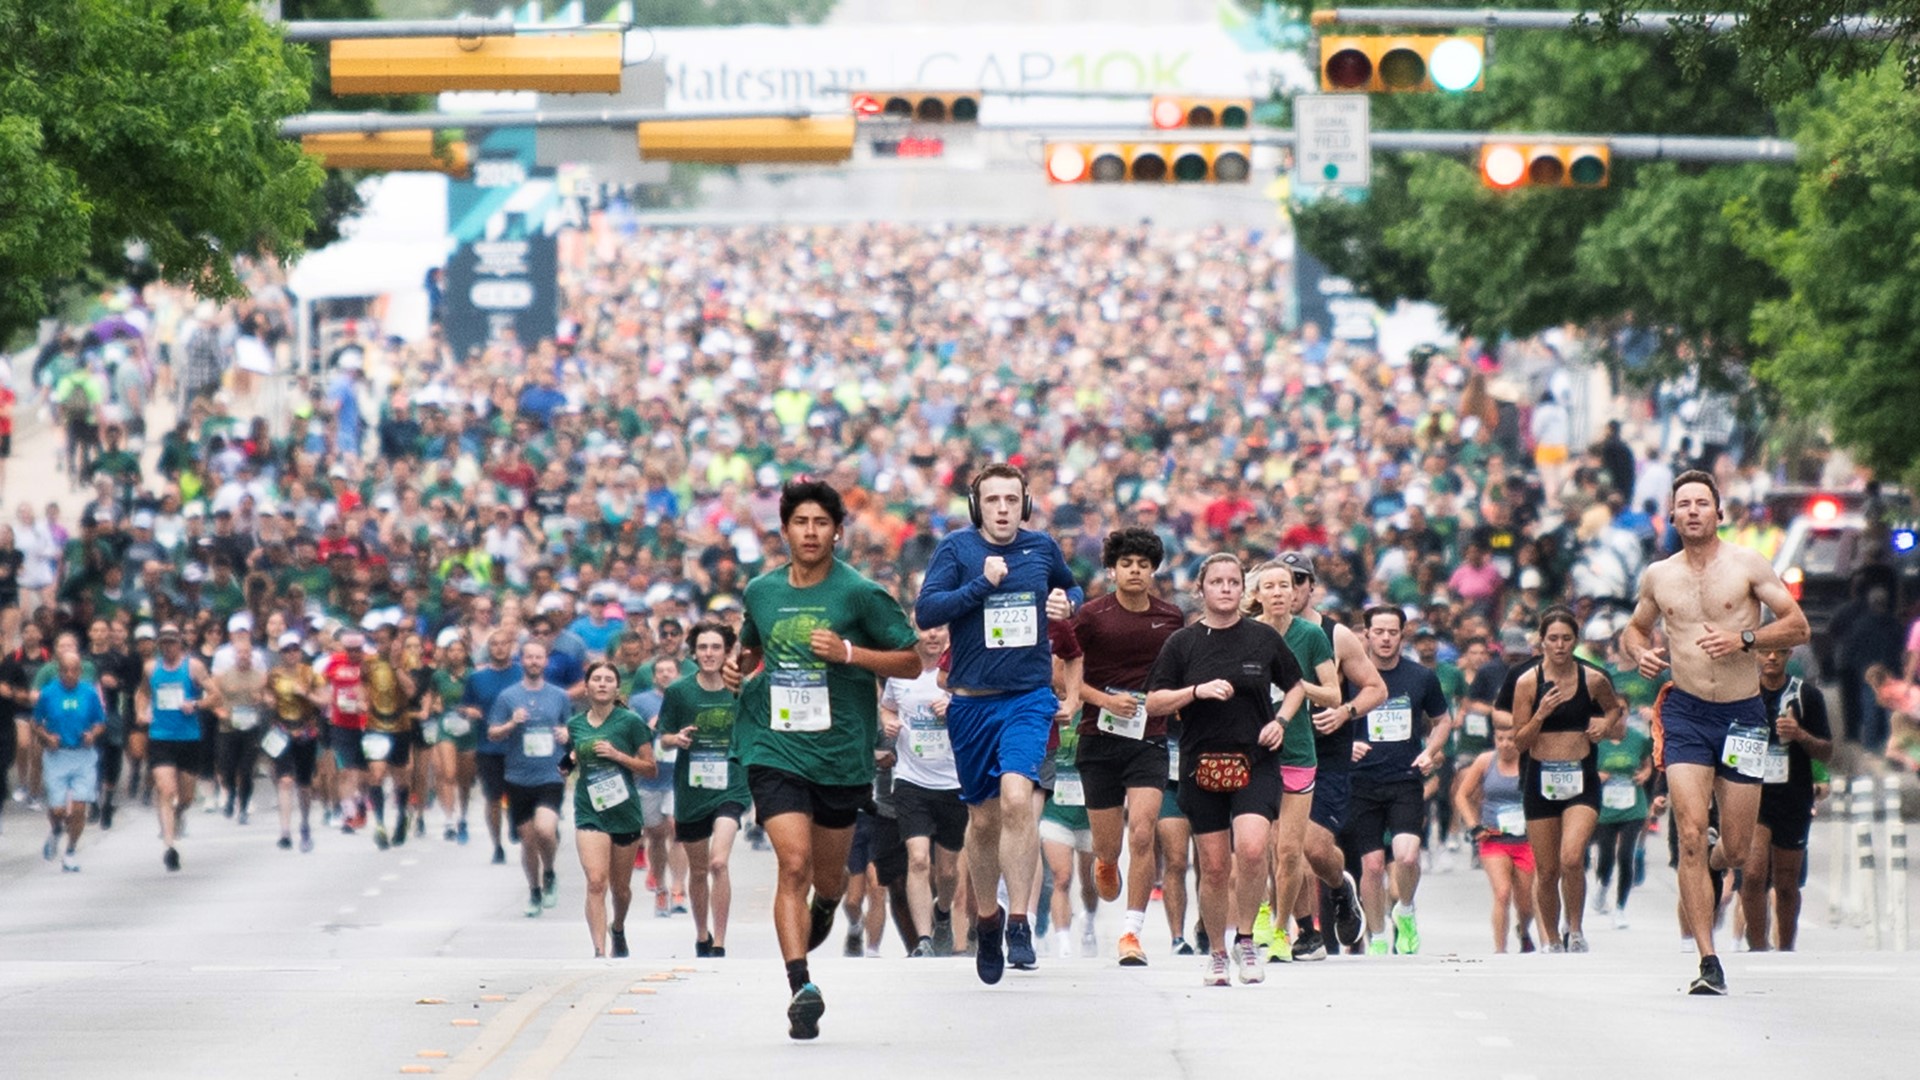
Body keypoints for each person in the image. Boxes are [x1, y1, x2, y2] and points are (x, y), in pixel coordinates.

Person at [724, 479, 919, 1039]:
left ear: (838, 531)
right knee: (792, 864)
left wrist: (851, 653)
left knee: (829, 880)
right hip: (773, 744)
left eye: (821, 523)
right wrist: (740, 667)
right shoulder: (761, 590)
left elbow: (909, 661)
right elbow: (753, 646)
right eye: (800, 523)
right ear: (784, 529)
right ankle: (800, 987)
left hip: (839, 754)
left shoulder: (859, 593)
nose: (810, 533)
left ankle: (829, 905)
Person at [1621, 469, 1810, 995]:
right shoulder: (1660, 575)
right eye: (1684, 504)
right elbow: (1634, 628)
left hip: (1743, 714)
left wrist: (1744, 637)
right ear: (1673, 515)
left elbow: (1798, 625)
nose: (1694, 511)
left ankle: (1715, 856)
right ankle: (1708, 960)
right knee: (1686, 830)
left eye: (1702, 502)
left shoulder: (1747, 565)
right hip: (1684, 713)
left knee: (1739, 847)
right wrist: (1641, 653)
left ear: (1718, 512)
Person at [913, 463, 1081, 984]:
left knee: (1016, 799)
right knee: (983, 821)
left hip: (1028, 698)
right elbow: (926, 611)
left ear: (1025, 503)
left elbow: (1072, 591)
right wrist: (979, 588)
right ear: (976, 506)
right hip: (971, 703)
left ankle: (1020, 922)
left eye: (1012, 499)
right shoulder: (957, 551)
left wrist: (1066, 602)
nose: (1004, 509)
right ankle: (987, 918)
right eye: (993, 501)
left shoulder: (1042, 548)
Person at [1144, 553, 1303, 986]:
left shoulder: (1263, 639)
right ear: (1202, 589)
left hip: (1256, 760)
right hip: (1203, 764)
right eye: (1218, 581)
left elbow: (1296, 686)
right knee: (1213, 866)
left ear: (1243, 590)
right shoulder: (1183, 643)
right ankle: (1217, 950)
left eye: (1234, 581)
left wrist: (1281, 721)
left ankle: (1247, 938)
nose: (1227, 588)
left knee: (1252, 850)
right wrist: (1195, 691)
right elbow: (1154, 701)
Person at [1067, 527, 1184, 966]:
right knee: (1109, 848)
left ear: (1154, 570)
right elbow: (1063, 675)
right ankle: (1103, 861)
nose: (1135, 571)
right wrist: (1103, 700)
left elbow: (1180, 672)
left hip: (1149, 738)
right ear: (1112, 570)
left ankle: (1131, 933)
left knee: (1143, 831)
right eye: (1126, 564)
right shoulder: (1092, 616)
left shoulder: (1171, 618)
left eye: (1143, 564)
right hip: (1098, 738)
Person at [1280, 552, 1385, 960]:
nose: (1291, 589)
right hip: (1283, 749)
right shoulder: (1261, 631)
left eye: (1299, 581)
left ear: (1311, 587)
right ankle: (1305, 931)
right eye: (1283, 581)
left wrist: (1346, 712)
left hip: (1326, 752)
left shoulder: (1335, 634)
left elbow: (1376, 688)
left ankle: (1341, 886)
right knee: (1285, 846)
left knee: (1314, 847)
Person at [1510, 607, 1622, 952]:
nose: (1559, 646)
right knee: (1546, 870)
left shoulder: (1593, 679)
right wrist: (1541, 713)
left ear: (1576, 641)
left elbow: (1614, 708)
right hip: (1540, 781)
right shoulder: (1528, 683)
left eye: (1566, 639)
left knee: (1572, 857)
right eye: (1553, 639)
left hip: (1581, 780)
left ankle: (1575, 929)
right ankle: (1552, 939)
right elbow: (1519, 741)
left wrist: (1604, 724)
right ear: (1541, 642)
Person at [1348, 605, 1451, 956]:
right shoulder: (1350, 677)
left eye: (1393, 632)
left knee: (1406, 858)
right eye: (1379, 632)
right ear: (1367, 634)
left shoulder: (1420, 677)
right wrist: (1347, 745)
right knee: (1373, 865)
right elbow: (1328, 719)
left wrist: (1430, 751)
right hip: (1362, 782)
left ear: (1402, 635)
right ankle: (1377, 935)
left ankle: (1405, 909)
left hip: (1404, 777)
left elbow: (1443, 720)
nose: (1386, 638)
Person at [1247, 560, 1333, 963]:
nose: (1280, 592)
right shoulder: (1246, 633)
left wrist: (1295, 685)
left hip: (1298, 750)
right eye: (1271, 586)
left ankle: (1284, 931)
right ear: (1258, 594)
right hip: (1255, 752)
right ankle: (1262, 910)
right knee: (1257, 844)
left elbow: (1333, 694)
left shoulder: (1311, 635)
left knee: (1289, 849)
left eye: (1286, 585)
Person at [660, 621, 753, 957]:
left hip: (732, 787)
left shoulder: (741, 689)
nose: (709, 654)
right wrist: (677, 738)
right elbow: (665, 737)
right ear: (694, 652)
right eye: (703, 647)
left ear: (728, 651)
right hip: (692, 788)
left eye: (716, 647)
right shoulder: (679, 691)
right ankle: (702, 934)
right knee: (698, 870)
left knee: (718, 863)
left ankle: (720, 942)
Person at [880, 622, 965, 958]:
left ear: (949, 633)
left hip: (954, 781)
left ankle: (942, 912)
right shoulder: (901, 672)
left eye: (939, 628)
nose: (932, 635)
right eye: (925, 628)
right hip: (911, 780)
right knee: (917, 860)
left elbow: (982, 711)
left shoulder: (961, 672)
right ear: (913, 631)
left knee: (946, 871)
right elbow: (887, 705)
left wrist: (956, 708)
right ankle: (924, 940)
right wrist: (888, 720)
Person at [1740, 646, 1833, 952]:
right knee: (1753, 876)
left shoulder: (1807, 696)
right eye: (1765, 651)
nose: (1771, 658)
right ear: (1754, 654)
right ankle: (1757, 947)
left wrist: (1800, 734)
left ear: (1789, 655)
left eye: (1779, 652)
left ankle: (1786, 949)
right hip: (1753, 796)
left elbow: (1826, 750)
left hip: (1793, 795)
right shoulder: (1742, 694)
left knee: (1787, 881)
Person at [568, 659, 657, 959]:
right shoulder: (576, 724)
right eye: (597, 679)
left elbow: (650, 768)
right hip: (589, 809)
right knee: (596, 881)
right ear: (587, 686)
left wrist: (618, 755)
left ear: (617, 687)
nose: (602, 684)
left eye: (608, 679)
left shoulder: (630, 722)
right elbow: (574, 755)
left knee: (620, 889)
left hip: (624, 811)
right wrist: (566, 764)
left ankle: (617, 927)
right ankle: (599, 951)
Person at [489, 638, 573, 917]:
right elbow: (493, 733)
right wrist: (512, 723)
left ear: (545, 661)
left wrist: (566, 735)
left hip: (550, 774)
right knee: (528, 840)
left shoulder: (559, 696)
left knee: (545, 830)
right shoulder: (508, 697)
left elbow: (571, 730)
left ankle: (549, 872)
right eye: (529, 657)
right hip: (517, 776)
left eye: (539, 657)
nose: (534, 662)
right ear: (521, 661)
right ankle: (535, 890)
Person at [136, 623, 220, 872]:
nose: (168, 647)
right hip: (161, 736)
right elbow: (141, 693)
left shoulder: (193, 667)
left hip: (188, 737)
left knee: (186, 797)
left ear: (180, 644)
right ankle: (169, 847)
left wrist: (195, 704)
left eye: (172, 642)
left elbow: (216, 696)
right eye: (164, 643)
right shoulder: (151, 669)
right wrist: (141, 712)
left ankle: (179, 814)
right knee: (166, 789)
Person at [1454, 717, 1538, 953]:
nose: (1506, 744)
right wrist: (1473, 825)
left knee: (1526, 903)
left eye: (1511, 739)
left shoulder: (1529, 761)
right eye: (1500, 739)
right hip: (1494, 839)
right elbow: (1461, 796)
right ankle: (1500, 950)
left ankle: (1523, 929)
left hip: (1525, 840)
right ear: (1494, 740)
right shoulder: (1485, 761)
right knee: (1502, 893)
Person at [33, 651, 106, 872]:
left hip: (83, 755)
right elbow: (36, 723)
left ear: (81, 672)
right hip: (57, 756)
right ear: (59, 670)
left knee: (79, 808)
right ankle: (55, 831)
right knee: (57, 810)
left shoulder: (89, 692)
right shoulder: (48, 693)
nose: (70, 674)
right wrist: (47, 737)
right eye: (65, 670)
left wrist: (93, 735)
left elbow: (100, 722)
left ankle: (71, 850)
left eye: (74, 670)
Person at [465, 628, 525, 865]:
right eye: (494, 644)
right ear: (488, 649)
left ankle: (514, 821)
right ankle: (497, 844)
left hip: (517, 746)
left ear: (511, 646)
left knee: (518, 792)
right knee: (492, 796)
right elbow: (466, 705)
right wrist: (468, 711)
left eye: (504, 644)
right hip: (487, 746)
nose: (499, 648)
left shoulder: (522, 674)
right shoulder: (476, 678)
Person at [1592, 710, 1655, 930]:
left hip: (1633, 806)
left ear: (1628, 715)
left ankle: (1620, 908)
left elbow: (1648, 763)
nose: (1618, 720)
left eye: (1622, 714)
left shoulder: (1638, 740)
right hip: (1606, 808)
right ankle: (1602, 885)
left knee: (1625, 855)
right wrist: (1597, 776)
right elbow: (1584, 769)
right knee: (1606, 856)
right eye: (1613, 714)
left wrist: (1645, 774)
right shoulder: (1597, 742)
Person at [267, 632, 326, 852]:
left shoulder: (310, 674)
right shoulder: (274, 676)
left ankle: (304, 822)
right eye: (287, 650)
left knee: (304, 783)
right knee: (284, 781)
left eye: (295, 649)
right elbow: (265, 694)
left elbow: (324, 701)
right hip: (282, 729)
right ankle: (284, 830)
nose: (292, 654)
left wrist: (306, 694)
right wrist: (267, 700)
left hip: (305, 731)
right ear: (281, 654)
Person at [210, 624, 270, 826]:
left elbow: (269, 697)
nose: (244, 656)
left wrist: (262, 698)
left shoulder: (260, 676)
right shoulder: (224, 676)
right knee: (227, 768)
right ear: (234, 654)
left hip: (250, 730)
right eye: (240, 652)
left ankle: (243, 807)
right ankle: (230, 794)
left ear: (252, 654)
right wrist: (219, 712)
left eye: (247, 652)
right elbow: (211, 697)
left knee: (246, 770)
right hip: (228, 729)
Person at [320, 630, 372, 835]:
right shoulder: (334, 662)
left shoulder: (370, 664)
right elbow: (323, 684)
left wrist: (366, 702)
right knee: (345, 771)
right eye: (349, 650)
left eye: (357, 650)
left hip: (366, 724)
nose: (353, 654)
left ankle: (361, 799)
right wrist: (324, 702)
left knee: (365, 773)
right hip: (341, 723)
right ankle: (348, 815)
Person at [428, 632, 476, 843]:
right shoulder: (439, 676)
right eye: (451, 650)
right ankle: (449, 819)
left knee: (464, 778)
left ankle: (463, 815)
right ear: (446, 654)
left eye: (459, 650)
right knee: (448, 773)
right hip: (446, 725)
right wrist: (432, 707)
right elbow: (431, 697)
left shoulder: (474, 675)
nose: (455, 654)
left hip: (469, 728)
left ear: (466, 653)